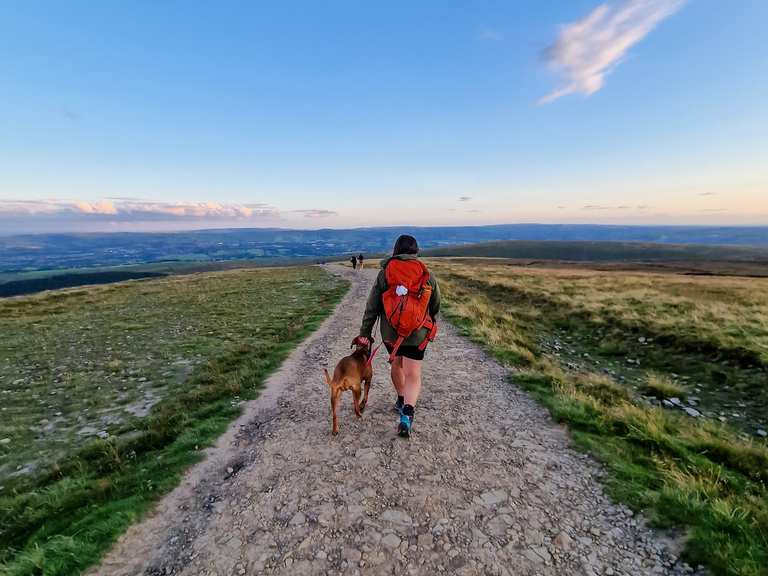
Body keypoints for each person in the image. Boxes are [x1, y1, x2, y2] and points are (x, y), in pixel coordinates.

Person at [357, 235, 440, 437]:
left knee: (397, 364)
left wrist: (365, 333)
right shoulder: (425, 273)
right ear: (415, 251)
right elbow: (435, 303)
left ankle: (402, 399)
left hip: (391, 334)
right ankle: (407, 415)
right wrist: (431, 323)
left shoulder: (386, 272)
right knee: (413, 373)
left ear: (396, 249)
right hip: (417, 333)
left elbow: (372, 306)